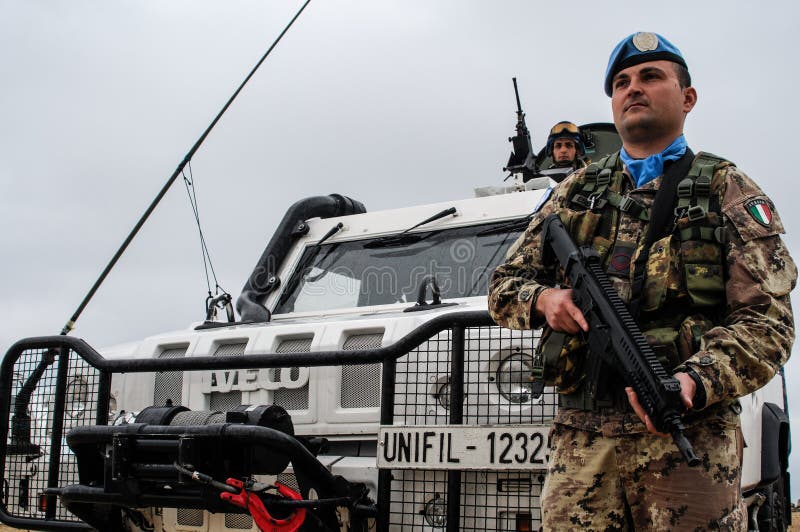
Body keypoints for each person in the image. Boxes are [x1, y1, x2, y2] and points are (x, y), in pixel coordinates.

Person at [488, 32, 796, 530]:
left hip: (688, 442)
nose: (634, 88)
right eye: (622, 82)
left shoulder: (726, 188)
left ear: (687, 97)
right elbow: (504, 285)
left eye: (652, 76)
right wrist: (545, 299)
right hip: (582, 441)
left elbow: (768, 323)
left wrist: (695, 380)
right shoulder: (575, 190)